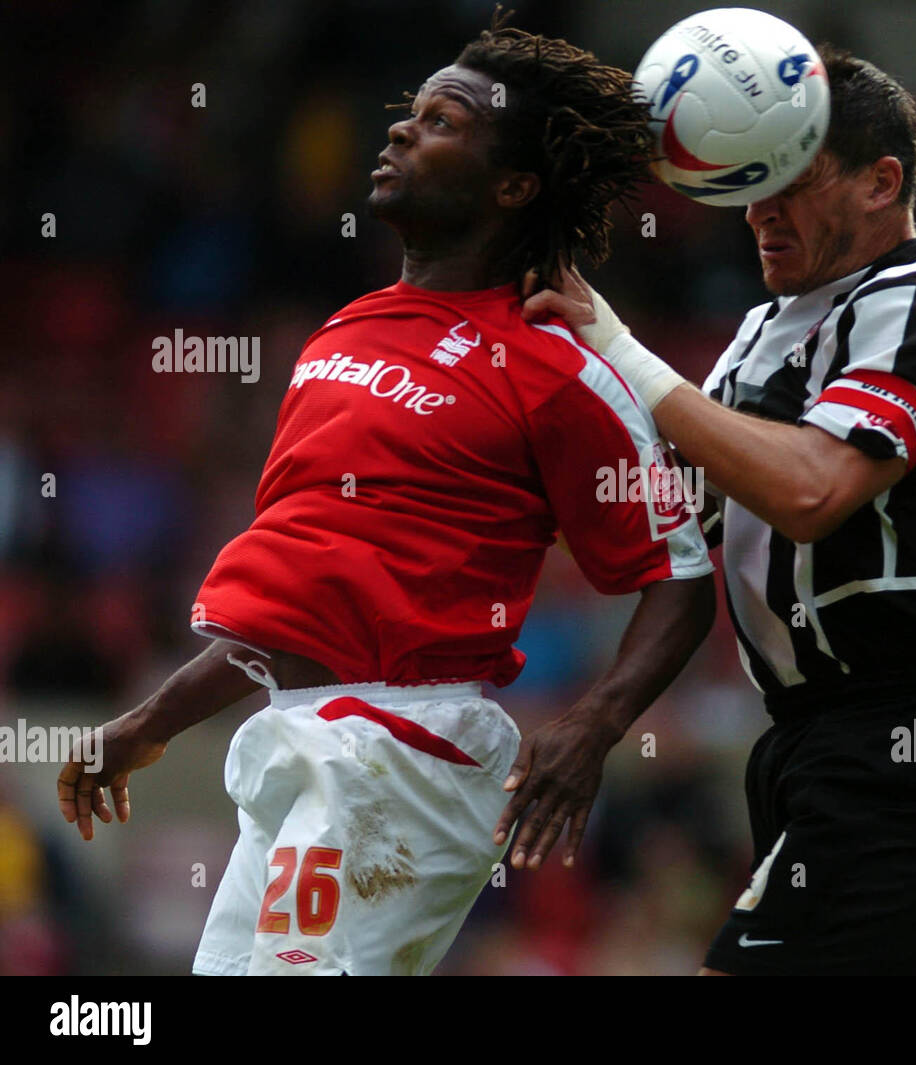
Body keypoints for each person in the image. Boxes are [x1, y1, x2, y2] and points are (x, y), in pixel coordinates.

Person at [55, 19, 714, 976]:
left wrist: (597, 721)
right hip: (297, 733)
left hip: (404, 747)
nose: (402, 131)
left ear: (513, 186)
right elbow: (297, 594)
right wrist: (149, 722)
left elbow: (682, 575)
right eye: (409, 114)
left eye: (441, 121)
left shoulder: (556, 367)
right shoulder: (346, 332)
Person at [523, 46, 916, 975]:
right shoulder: (765, 329)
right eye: (748, 181)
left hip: (906, 745)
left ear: (883, 183)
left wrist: (619, 347)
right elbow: (669, 513)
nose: (756, 209)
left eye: (789, 181)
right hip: (807, 743)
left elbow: (810, 492)